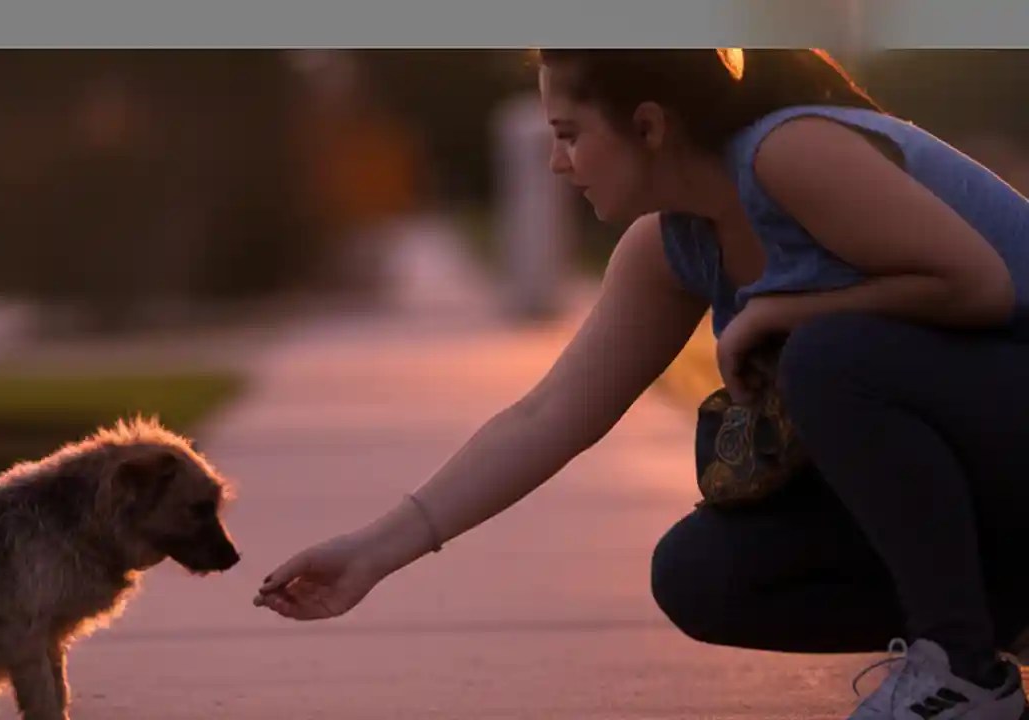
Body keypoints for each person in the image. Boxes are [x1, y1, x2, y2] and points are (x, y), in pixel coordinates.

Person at [253, 49, 1029, 719]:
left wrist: (786, 314)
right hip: (998, 467)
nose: (557, 162)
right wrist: (370, 555)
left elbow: (980, 286)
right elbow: (547, 415)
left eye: (569, 135)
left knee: (830, 359)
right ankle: (1004, 617)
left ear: (650, 125)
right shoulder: (671, 246)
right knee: (702, 575)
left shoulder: (790, 151)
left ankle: (962, 671)